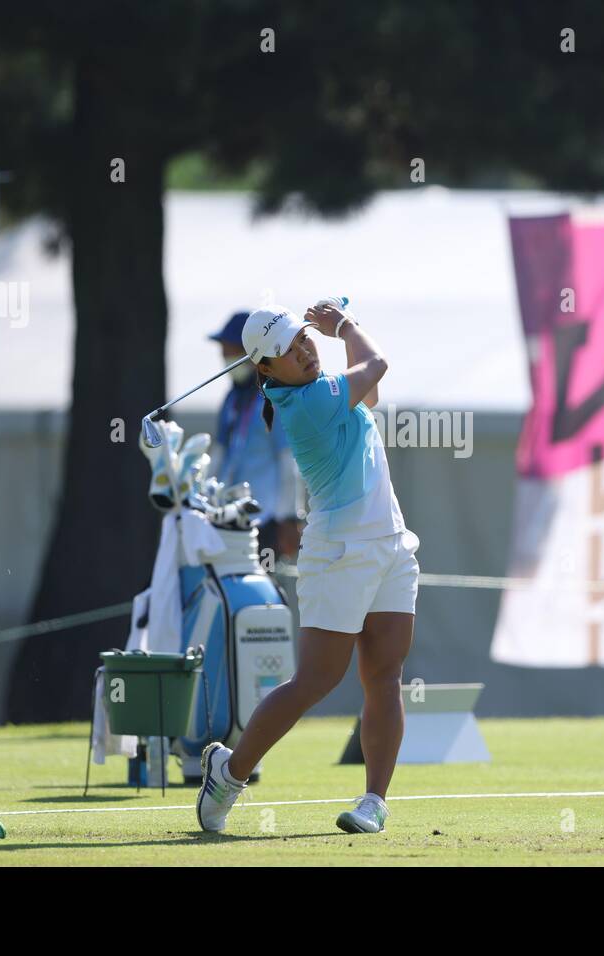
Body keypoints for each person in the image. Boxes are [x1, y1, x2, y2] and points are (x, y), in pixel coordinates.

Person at [195, 299, 421, 832]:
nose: (304, 352)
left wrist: (337, 336)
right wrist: (342, 326)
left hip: (389, 544)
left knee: (385, 676)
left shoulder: (319, 387)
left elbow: (373, 387)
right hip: (339, 553)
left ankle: (373, 801)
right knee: (315, 681)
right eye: (288, 351)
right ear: (265, 370)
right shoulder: (311, 400)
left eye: (304, 339)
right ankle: (229, 774)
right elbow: (379, 364)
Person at [207, 311, 303, 565]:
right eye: (224, 351)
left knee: (261, 594)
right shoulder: (232, 399)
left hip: (265, 520)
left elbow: (287, 461)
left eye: (232, 350)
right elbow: (220, 453)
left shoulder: (273, 398)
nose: (225, 357)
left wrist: (288, 518)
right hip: (229, 517)